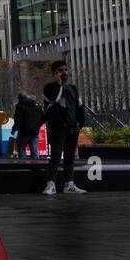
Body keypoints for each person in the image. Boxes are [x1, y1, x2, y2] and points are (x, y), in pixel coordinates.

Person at [41, 60, 86, 194]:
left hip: (72, 127)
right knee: (55, 156)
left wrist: (80, 123)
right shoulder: (49, 88)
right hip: (58, 128)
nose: (64, 72)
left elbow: (80, 105)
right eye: (60, 70)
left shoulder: (73, 88)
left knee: (69, 157)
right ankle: (51, 184)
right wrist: (59, 84)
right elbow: (53, 99)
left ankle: (69, 184)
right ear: (54, 73)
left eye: (66, 70)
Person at [12, 92, 44, 160]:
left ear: (20, 99)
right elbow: (43, 118)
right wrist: (37, 125)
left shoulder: (21, 107)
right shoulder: (38, 106)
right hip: (35, 132)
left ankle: (23, 165)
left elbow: (19, 121)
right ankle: (36, 166)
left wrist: (14, 129)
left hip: (24, 132)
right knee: (34, 150)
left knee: (21, 148)